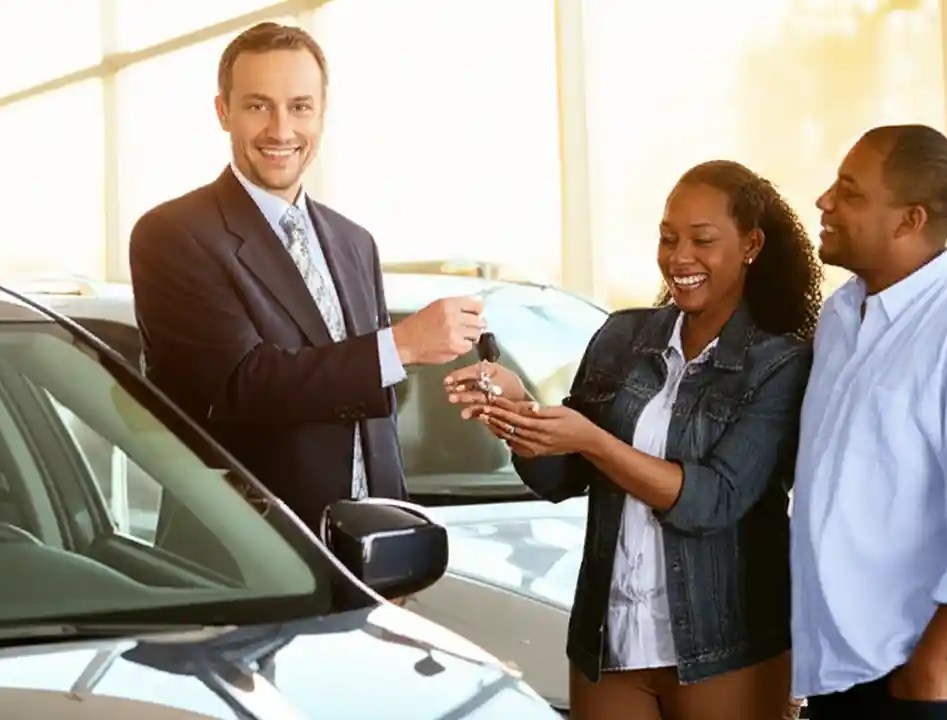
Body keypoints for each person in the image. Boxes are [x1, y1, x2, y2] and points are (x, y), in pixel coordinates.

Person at [447, 160, 822, 719]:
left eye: (702, 240)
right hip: (613, 640)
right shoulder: (622, 336)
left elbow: (712, 501)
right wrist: (516, 411)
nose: (680, 257)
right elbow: (560, 477)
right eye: (668, 238)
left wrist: (594, 441)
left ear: (751, 244)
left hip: (725, 647)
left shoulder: (780, 363)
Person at [128, 22, 484, 531]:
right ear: (223, 112)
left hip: (370, 546)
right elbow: (238, 386)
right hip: (250, 551)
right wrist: (400, 346)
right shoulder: (174, 234)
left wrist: (398, 529)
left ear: (322, 112)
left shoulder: (354, 242)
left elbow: (372, 419)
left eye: (299, 107)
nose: (281, 130)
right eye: (258, 106)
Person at [791, 124, 947, 719]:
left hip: (940, 680)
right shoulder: (840, 317)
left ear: (910, 220)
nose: (824, 201)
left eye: (850, 192)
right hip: (846, 677)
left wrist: (929, 672)